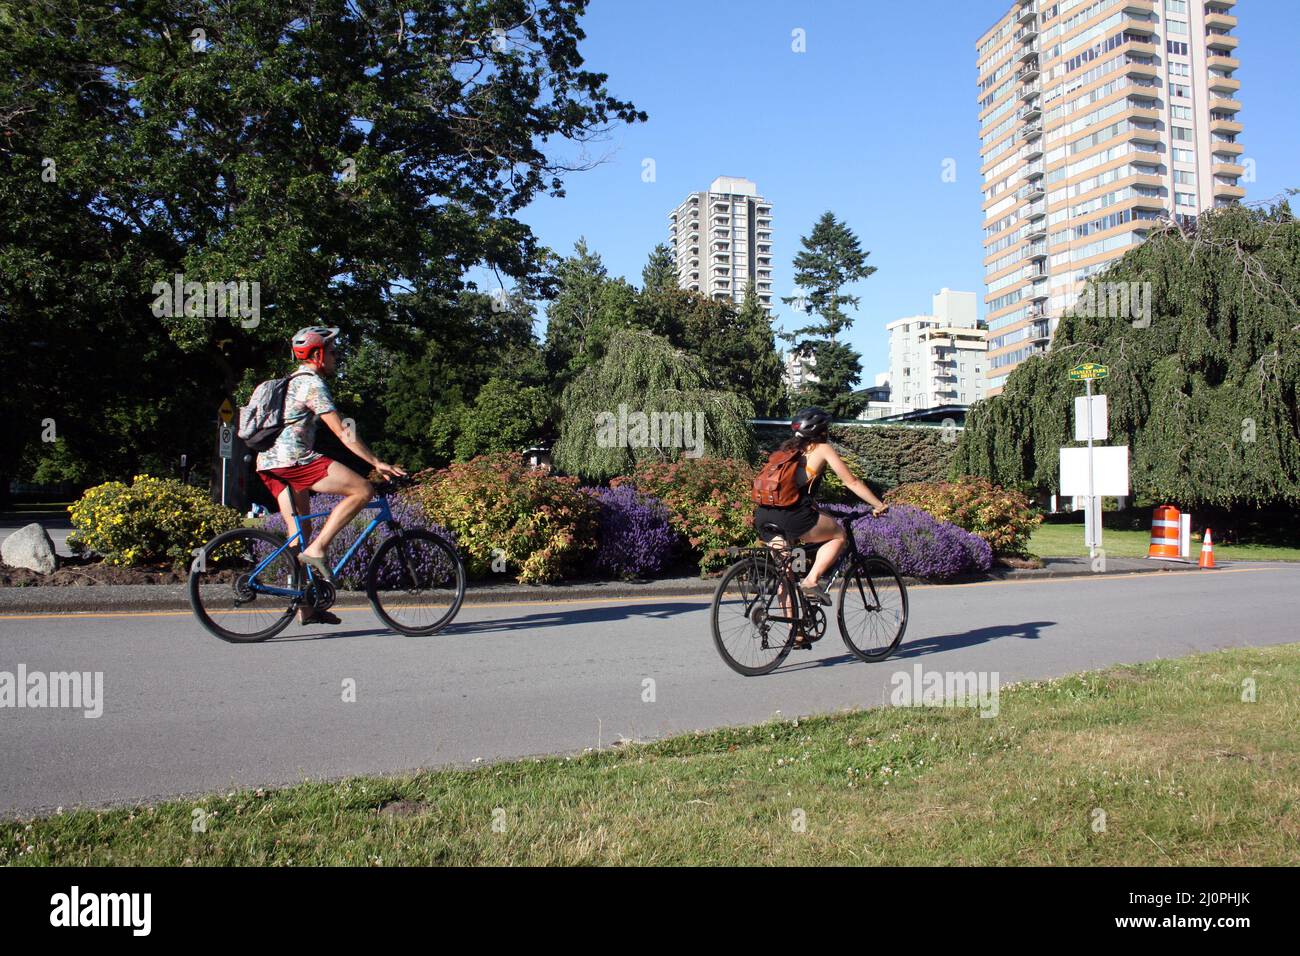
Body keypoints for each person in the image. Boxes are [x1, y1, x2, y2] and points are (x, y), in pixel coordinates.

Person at [255, 326, 406, 625]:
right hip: (293, 460)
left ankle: (305, 606)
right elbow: (343, 432)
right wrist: (376, 462)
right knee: (363, 490)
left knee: (298, 533)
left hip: (268, 463)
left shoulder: (288, 382)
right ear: (317, 354)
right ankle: (320, 550)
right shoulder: (312, 384)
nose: (337, 357)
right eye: (333, 351)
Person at [754, 407, 888, 634]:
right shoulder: (823, 449)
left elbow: (789, 490)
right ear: (821, 431)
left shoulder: (786, 450)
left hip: (764, 515)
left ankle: (795, 633)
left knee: (786, 573)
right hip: (792, 518)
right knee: (838, 535)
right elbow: (852, 482)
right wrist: (878, 504)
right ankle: (812, 581)